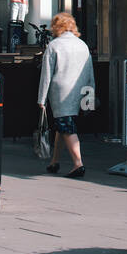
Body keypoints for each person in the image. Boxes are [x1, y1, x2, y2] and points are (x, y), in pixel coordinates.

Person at [37, 12, 96, 178]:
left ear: (56, 27)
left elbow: (46, 74)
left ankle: (78, 164)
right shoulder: (82, 45)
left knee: (66, 126)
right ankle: (54, 161)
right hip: (80, 89)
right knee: (63, 125)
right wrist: (90, 96)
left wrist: (41, 99)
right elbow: (90, 73)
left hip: (61, 91)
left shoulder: (54, 45)